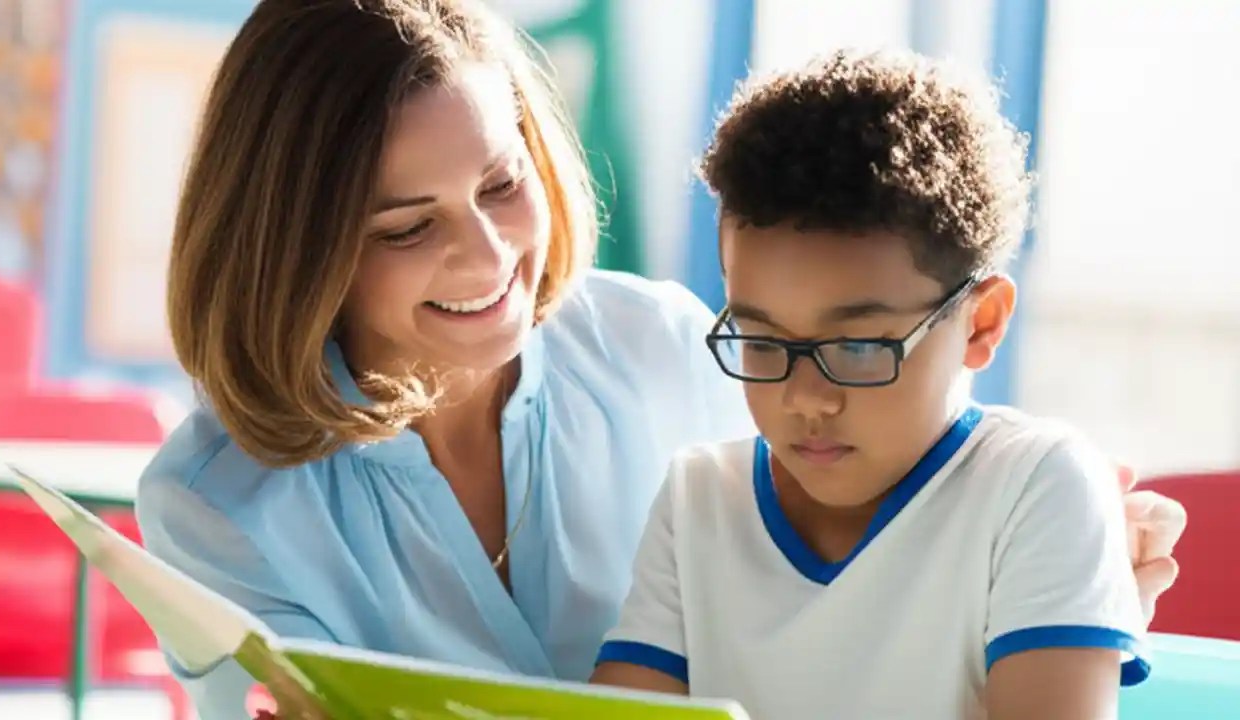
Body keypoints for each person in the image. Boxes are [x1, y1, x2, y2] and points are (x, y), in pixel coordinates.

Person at [133, 2, 1185, 718]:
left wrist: (1041, 573)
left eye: (502, 185)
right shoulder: (216, 506)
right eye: (407, 226)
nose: (489, 255)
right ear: (296, 240)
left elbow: (876, 556)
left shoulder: (659, 347)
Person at [591, 50, 1159, 720]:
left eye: (858, 347)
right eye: (765, 340)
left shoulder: (1037, 486)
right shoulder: (697, 502)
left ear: (980, 323)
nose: (805, 398)